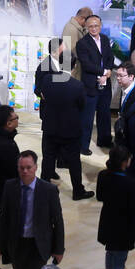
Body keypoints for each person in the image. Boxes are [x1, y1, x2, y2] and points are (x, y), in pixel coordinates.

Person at [36, 43, 92, 200]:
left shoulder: (47, 80)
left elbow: (43, 96)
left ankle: (42, 190)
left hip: (50, 127)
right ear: (73, 66)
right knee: (74, 161)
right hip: (70, 129)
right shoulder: (78, 86)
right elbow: (82, 106)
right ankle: (77, 191)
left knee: (48, 157)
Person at [76, 14, 120, 154]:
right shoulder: (82, 43)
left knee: (105, 114)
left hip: (105, 82)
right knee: (87, 117)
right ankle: (83, 146)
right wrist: (103, 72)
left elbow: (110, 57)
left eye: (96, 25)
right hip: (90, 84)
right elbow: (86, 65)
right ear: (87, 27)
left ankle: (105, 140)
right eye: (90, 26)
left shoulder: (105, 39)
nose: (94, 28)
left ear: (100, 26)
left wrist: (107, 73)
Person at [60, 7, 93, 79]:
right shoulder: (71, 30)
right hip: (73, 72)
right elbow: (69, 53)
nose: (87, 25)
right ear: (82, 19)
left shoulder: (77, 28)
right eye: (87, 22)